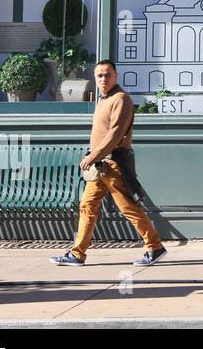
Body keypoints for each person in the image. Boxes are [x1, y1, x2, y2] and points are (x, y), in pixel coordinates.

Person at [51, 60, 166, 267]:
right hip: (100, 165)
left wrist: (93, 156)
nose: (103, 78)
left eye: (108, 75)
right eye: (100, 75)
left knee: (128, 207)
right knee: (87, 205)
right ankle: (77, 254)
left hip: (113, 163)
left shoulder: (121, 99)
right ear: (95, 78)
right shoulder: (104, 99)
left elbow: (115, 134)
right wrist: (95, 157)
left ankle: (155, 246)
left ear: (116, 76)